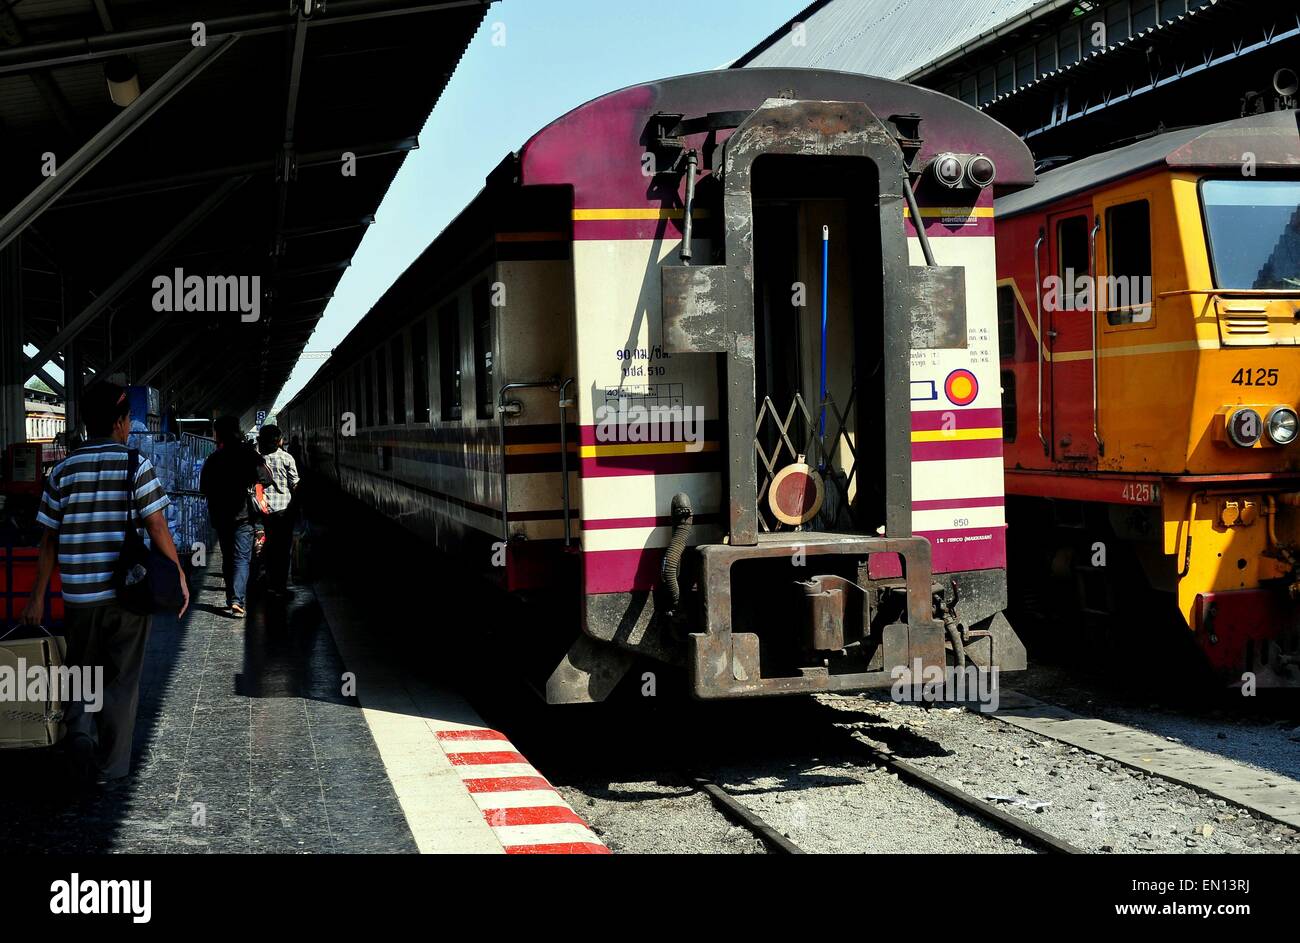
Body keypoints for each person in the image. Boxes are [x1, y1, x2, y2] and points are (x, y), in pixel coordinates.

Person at [21, 382, 190, 786]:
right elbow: (156, 524)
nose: (130, 426)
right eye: (129, 419)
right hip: (126, 594)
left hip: (79, 595)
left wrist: (37, 597)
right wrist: (178, 573)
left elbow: (49, 538)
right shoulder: (135, 464)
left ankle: (79, 731)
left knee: (82, 669)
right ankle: (110, 768)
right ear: (118, 422)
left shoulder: (61, 471)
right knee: (120, 680)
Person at [200, 416, 270, 618]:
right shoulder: (248, 454)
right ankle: (237, 600)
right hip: (243, 515)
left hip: (221, 517)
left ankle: (232, 598)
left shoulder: (213, 459)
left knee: (228, 556)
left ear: (218, 434)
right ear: (238, 431)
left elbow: (204, 487)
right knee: (242, 558)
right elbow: (266, 477)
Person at [256, 424, 299, 597]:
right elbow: (295, 483)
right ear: (280, 440)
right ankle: (280, 585)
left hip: (263, 510)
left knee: (268, 546)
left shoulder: (257, 458)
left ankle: (268, 581)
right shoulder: (287, 458)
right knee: (283, 549)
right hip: (284, 510)